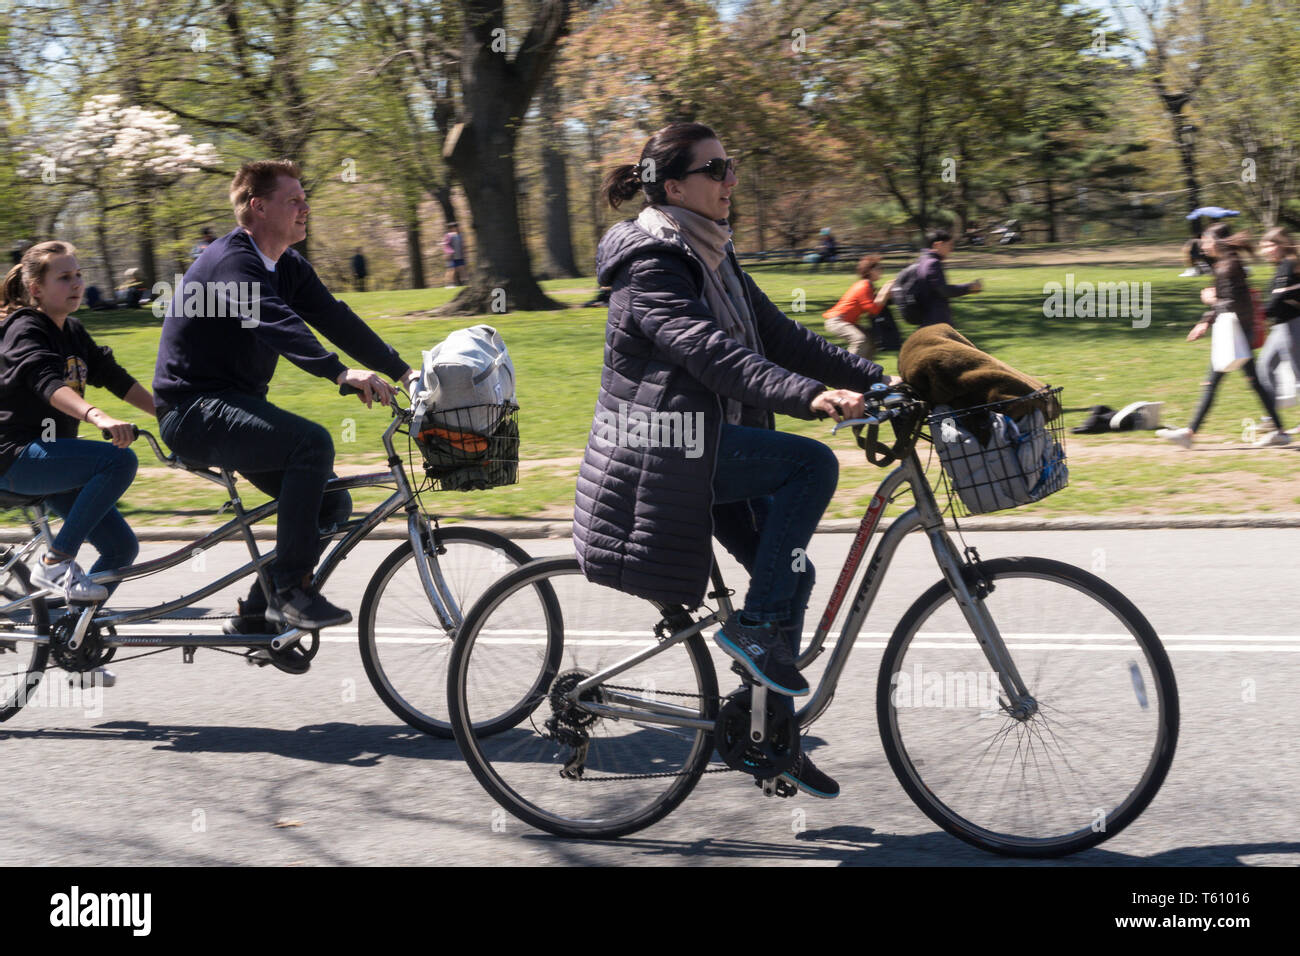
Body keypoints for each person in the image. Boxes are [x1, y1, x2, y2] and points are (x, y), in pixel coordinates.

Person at [575, 122, 891, 799]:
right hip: (666, 449)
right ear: (674, 186)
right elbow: (708, 353)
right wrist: (810, 398)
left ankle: (767, 739)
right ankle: (752, 634)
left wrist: (873, 380)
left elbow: (779, 337)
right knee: (812, 465)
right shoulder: (652, 261)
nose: (730, 180)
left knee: (793, 576)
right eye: (715, 168)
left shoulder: (712, 251)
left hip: (709, 440)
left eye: (732, 165)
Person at [153, 160, 418, 637]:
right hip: (191, 412)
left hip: (233, 407)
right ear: (258, 207)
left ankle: (259, 611)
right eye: (293, 200)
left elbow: (335, 318)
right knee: (311, 444)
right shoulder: (230, 260)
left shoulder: (286, 266)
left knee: (331, 505)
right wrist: (339, 372)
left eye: (304, 199)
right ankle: (292, 591)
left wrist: (405, 372)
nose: (305, 208)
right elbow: (271, 319)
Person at [0, 241, 155, 606]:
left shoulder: (72, 330)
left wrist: (171, 415)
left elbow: (113, 376)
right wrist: (97, 416)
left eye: (79, 275)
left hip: (52, 458)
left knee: (120, 549)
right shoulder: (25, 328)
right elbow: (47, 383)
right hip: (15, 456)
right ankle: (55, 563)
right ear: (36, 289)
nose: (76, 284)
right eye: (64, 277)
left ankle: (75, 637)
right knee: (117, 460)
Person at [1157, 223, 1289, 448]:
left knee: (1213, 381)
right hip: (1239, 332)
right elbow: (1226, 300)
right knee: (1253, 382)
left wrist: (1210, 303)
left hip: (1237, 334)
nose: (1204, 245)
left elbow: (1230, 303)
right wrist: (1204, 321)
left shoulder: (1228, 266)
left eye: (1207, 241)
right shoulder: (1225, 265)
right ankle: (1280, 432)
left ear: (1217, 242)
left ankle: (1189, 434)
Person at [1255, 227, 1300, 419]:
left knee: (1298, 374)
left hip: (1293, 325)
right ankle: (1273, 420)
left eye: (1269, 245)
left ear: (1281, 244)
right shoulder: (1285, 265)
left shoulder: (1289, 265)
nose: (1265, 250)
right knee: (1264, 366)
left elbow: (1277, 300)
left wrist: (1256, 316)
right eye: (1263, 246)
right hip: (1281, 326)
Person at [823, 254, 894, 359]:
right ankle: (846, 369)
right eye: (879, 268)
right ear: (870, 271)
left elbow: (876, 305)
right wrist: (884, 292)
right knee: (860, 339)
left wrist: (886, 295)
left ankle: (866, 371)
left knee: (871, 339)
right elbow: (873, 310)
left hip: (847, 322)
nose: (881, 270)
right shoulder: (863, 286)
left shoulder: (868, 285)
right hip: (837, 321)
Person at [912, 229, 982, 326]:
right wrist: (970, 287)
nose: (951, 249)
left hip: (927, 319)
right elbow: (943, 290)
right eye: (949, 245)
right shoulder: (933, 263)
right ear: (938, 245)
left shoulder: (922, 261)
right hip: (937, 321)